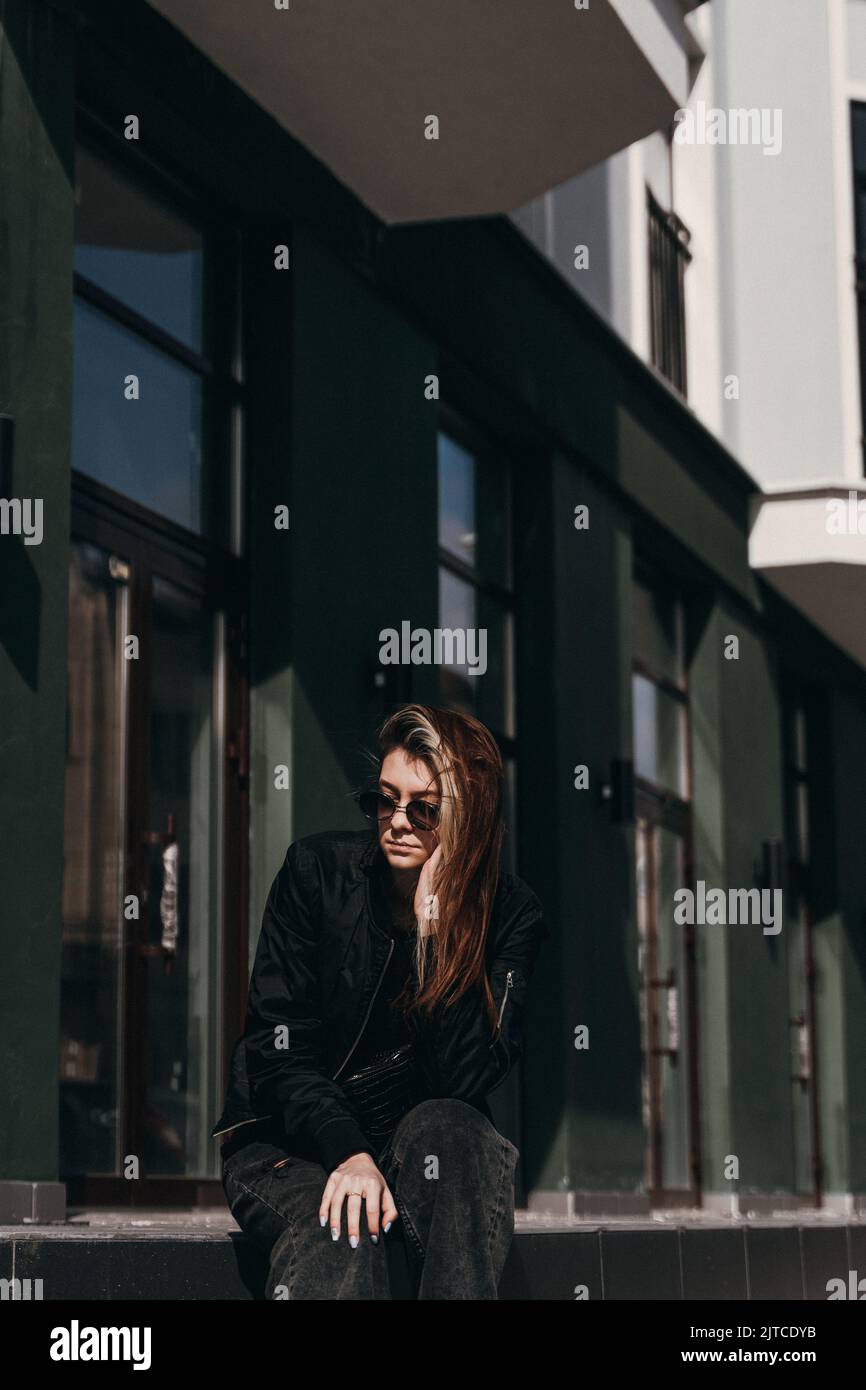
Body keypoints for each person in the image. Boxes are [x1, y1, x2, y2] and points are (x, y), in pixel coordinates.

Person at [214, 702, 547, 1300]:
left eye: (424, 809)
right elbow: (277, 1050)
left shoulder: (510, 914)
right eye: (385, 800)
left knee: (459, 1131)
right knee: (342, 1224)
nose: (397, 822)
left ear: (468, 818)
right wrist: (348, 1152)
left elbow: (468, 1076)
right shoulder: (315, 874)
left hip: (414, 1146)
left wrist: (434, 935)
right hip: (290, 1143)